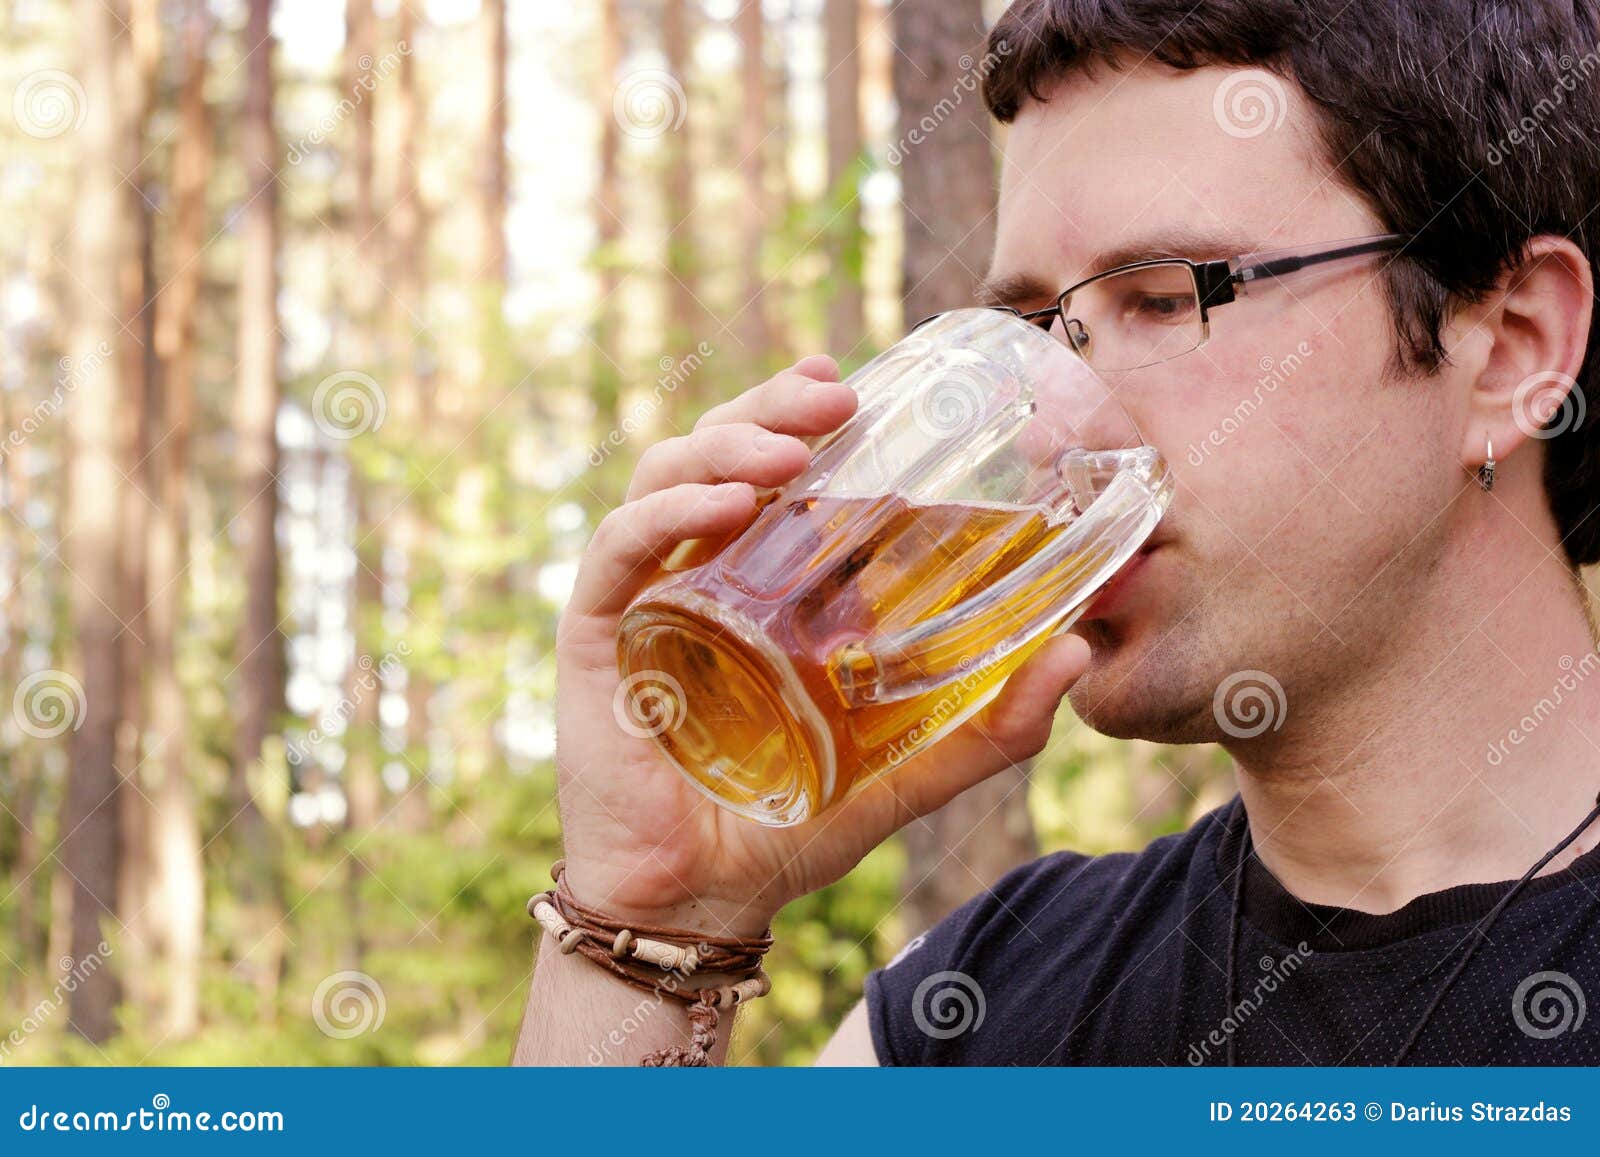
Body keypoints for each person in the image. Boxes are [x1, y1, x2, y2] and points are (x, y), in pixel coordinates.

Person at [515, 0, 1600, 1065]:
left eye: (1167, 297)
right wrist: (656, 922)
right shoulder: (981, 1009)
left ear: (1511, 349)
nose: (1050, 425)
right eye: (1034, 329)